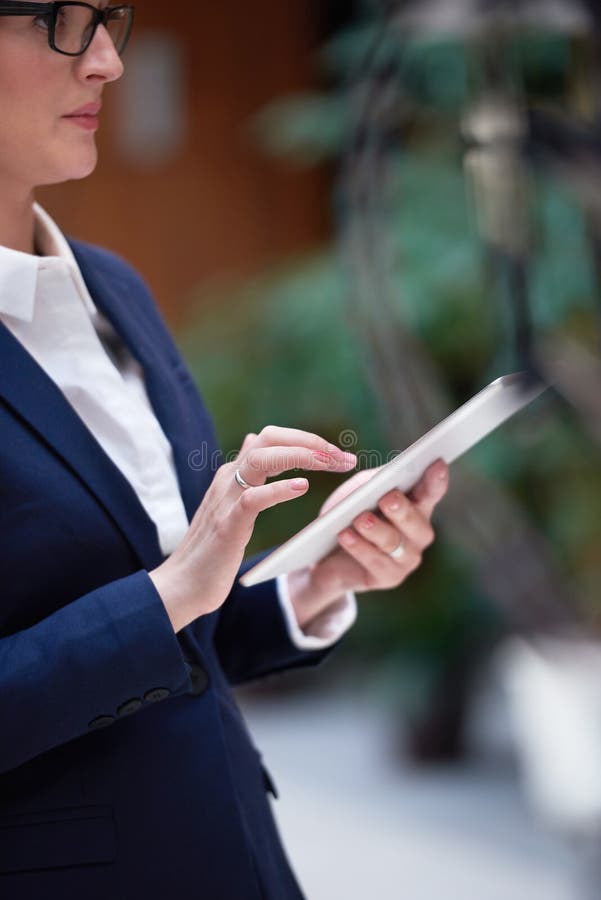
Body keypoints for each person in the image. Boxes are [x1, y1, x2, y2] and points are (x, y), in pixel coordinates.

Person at [0, 3, 449, 898]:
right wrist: (170, 592)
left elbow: (180, 637)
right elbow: (161, 601)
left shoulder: (113, 288)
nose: (106, 62)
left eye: (109, 19)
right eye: (59, 19)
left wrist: (313, 579)